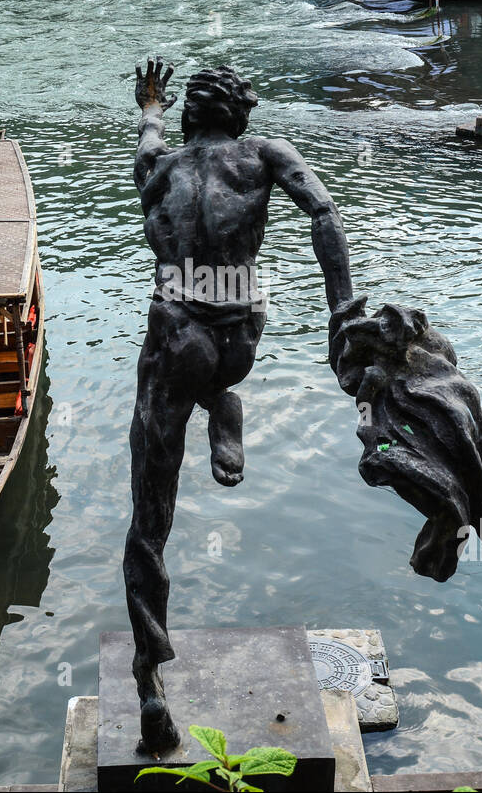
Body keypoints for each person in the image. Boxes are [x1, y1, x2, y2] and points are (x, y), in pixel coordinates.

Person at [127, 60, 355, 749]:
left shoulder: (159, 170)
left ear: (191, 116)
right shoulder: (266, 154)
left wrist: (150, 109)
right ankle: (225, 406)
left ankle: (149, 678)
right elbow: (324, 211)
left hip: (175, 340)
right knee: (219, 369)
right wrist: (341, 307)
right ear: (241, 116)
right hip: (240, 334)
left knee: (148, 518)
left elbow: (144, 145)